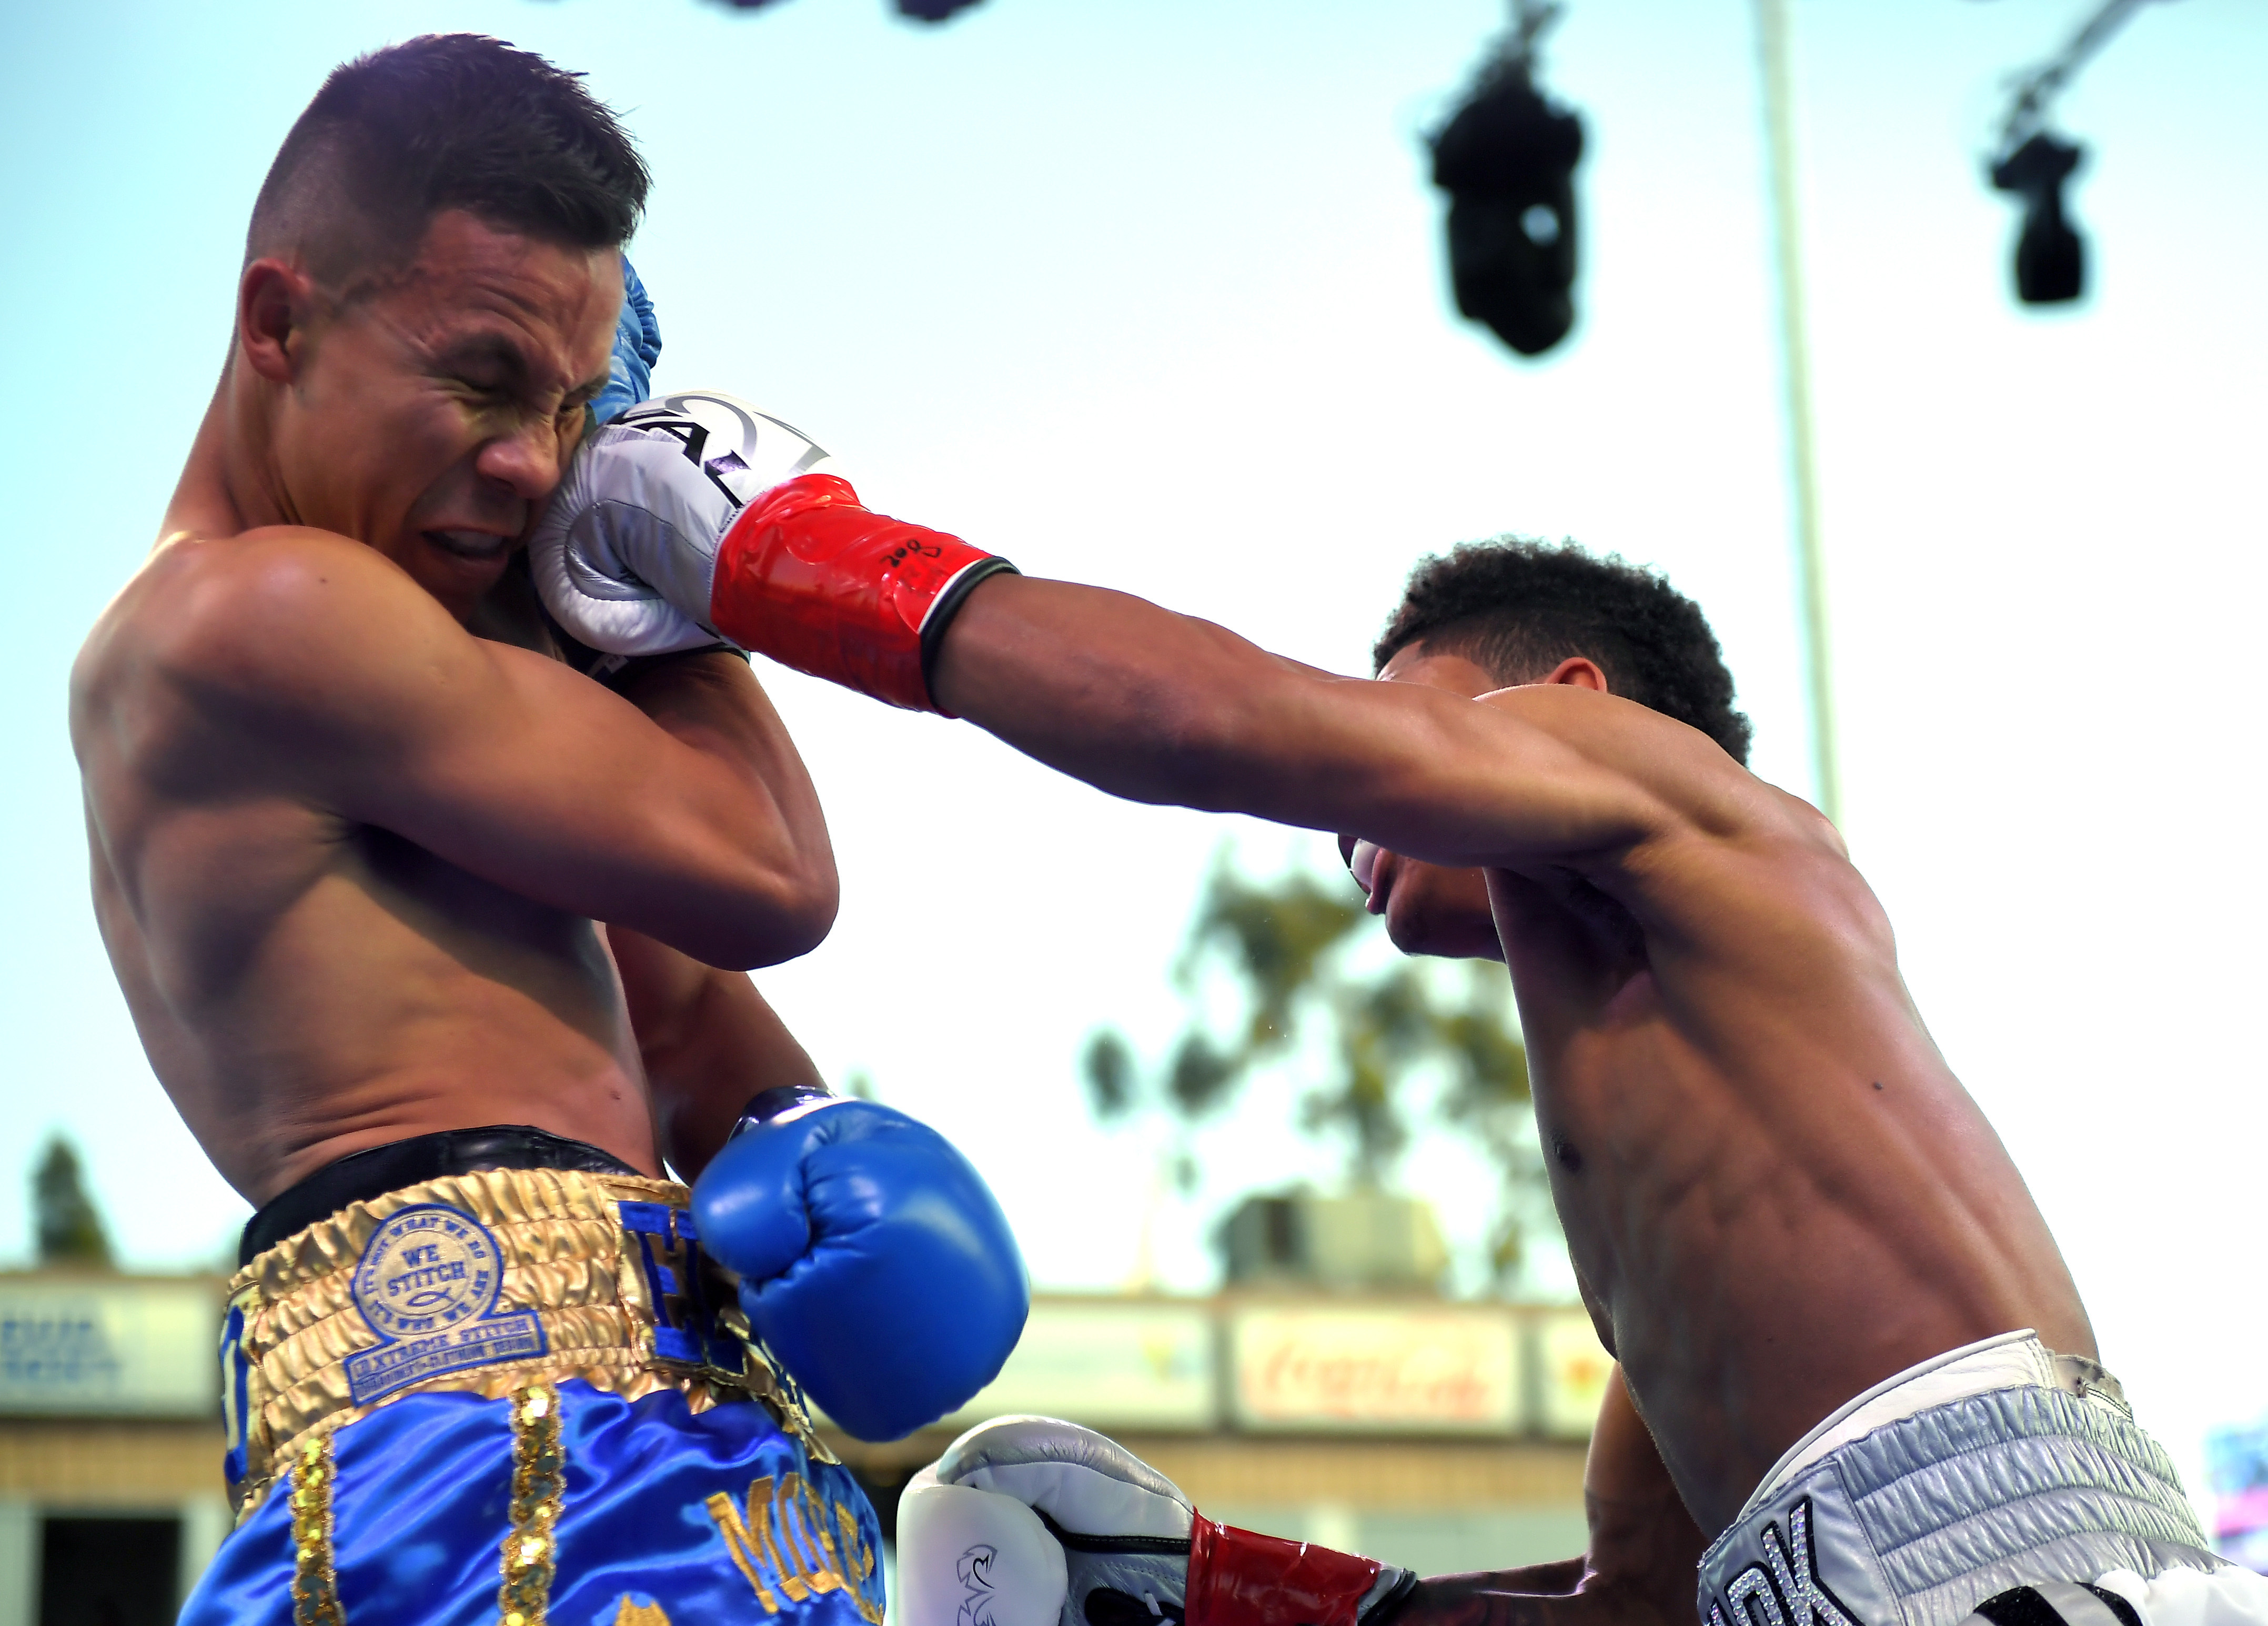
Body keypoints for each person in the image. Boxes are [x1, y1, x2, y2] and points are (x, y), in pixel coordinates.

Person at [539, 441, 2268, 1626]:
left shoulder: (1685, 795)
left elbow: (1222, 721)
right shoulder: (1695, 1229)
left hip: (2028, 1550)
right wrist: (1214, 1583)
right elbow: (1642, 1614)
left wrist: (782, 545)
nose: (1346, 793)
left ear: (1564, 708)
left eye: (1406, 712)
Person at [70, 36, 1024, 1625]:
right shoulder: (258, 612)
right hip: (493, 1460)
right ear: (277, 323)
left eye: (583, 414)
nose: (533, 467)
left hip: (603, 1451)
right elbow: (767, 871)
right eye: (485, 380)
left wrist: (789, 1128)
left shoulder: (431, 665)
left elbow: (684, 1005)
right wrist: (680, 562)